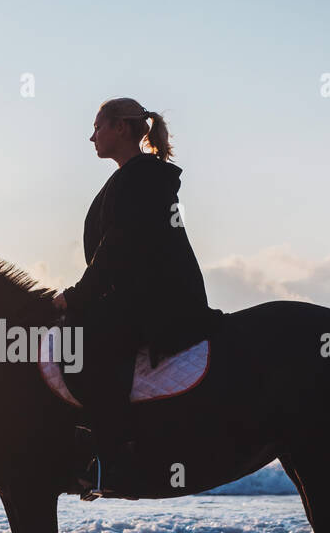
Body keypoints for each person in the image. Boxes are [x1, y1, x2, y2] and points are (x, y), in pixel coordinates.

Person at [53, 97, 214, 497]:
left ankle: (115, 463)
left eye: (97, 127)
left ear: (120, 128)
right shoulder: (131, 175)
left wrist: (76, 297)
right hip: (137, 293)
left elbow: (118, 248)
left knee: (93, 346)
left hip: (158, 300)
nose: (92, 137)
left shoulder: (142, 177)